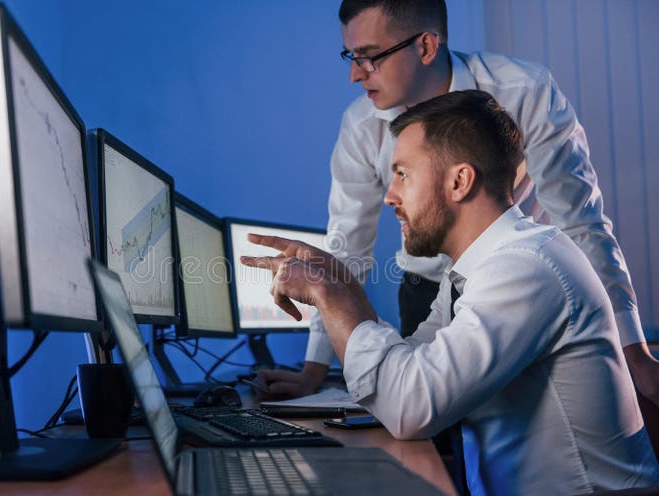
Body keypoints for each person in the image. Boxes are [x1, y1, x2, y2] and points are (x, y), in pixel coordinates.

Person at [242, 90, 659, 496]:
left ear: (459, 181)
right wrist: (344, 285)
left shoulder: (525, 269)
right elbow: (409, 367)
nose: (389, 195)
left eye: (403, 174)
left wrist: (327, 295)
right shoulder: (478, 268)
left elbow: (408, 407)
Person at [257, 0, 659, 408]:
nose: (354, 74)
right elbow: (349, 247)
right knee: (425, 411)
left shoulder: (523, 91)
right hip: (429, 292)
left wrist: (633, 351)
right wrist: (315, 368)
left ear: (426, 46)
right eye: (351, 56)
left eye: (369, 56)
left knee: (510, 412)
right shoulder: (361, 125)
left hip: (519, 281)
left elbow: (581, 223)